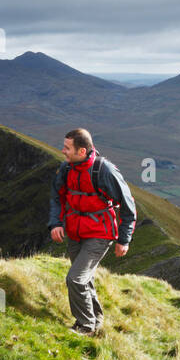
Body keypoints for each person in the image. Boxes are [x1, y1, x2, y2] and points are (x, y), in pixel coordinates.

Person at [48, 128, 137, 336]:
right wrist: (56, 224)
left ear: (82, 151)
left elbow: (128, 206)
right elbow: (57, 198)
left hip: (100, 233)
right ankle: (96, 320)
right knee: (84, 278)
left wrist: (124, 240)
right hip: (74, 232)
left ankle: (85, 326)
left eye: (67, 148)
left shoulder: (105, 171)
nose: (62, 151)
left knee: (75, 279)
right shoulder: (66, 169)